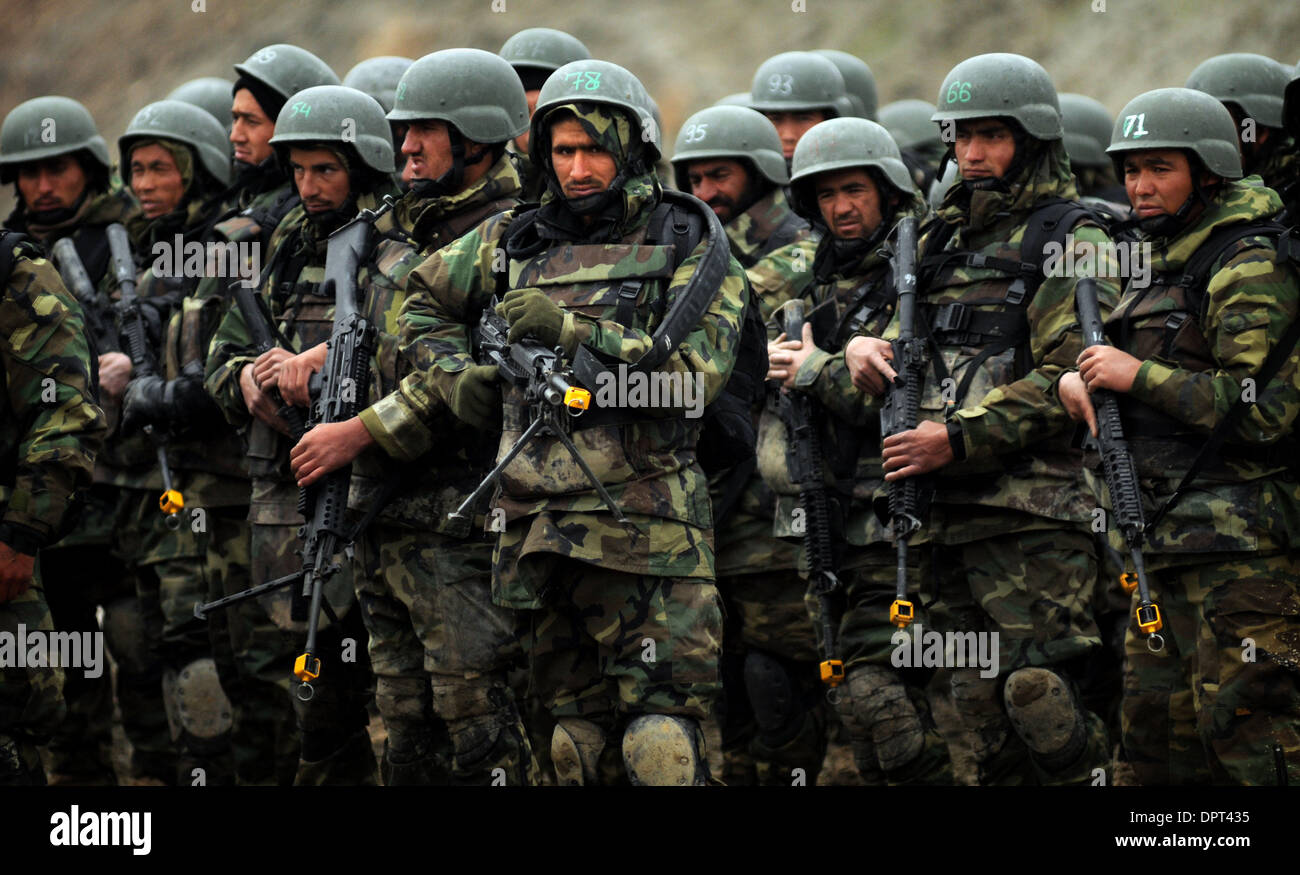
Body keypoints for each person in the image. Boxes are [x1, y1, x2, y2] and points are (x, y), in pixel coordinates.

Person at [397, 59, 747, 785]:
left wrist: (570, 333)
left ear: (631, 146)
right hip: (535, 530)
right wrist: (463, 379)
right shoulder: (510, 239)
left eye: (594, 148)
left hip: (649, 532)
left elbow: (691, 385)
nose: (579, 168)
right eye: (562, 151)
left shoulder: (688, 239)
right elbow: (418, 301)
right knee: (573, 749)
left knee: (660, 750)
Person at [1061, 86, 1300, 785]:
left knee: (1253, 740)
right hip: (1161, 545)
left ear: (1209, 169)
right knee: (1155, 744)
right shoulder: (1160, 260)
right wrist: (1084, 388)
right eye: (1131, 170)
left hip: (1243, 555)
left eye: (1159, 167)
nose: (1139, 186)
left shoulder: (1248, 262)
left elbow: (1261, 409)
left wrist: (1138, 376)